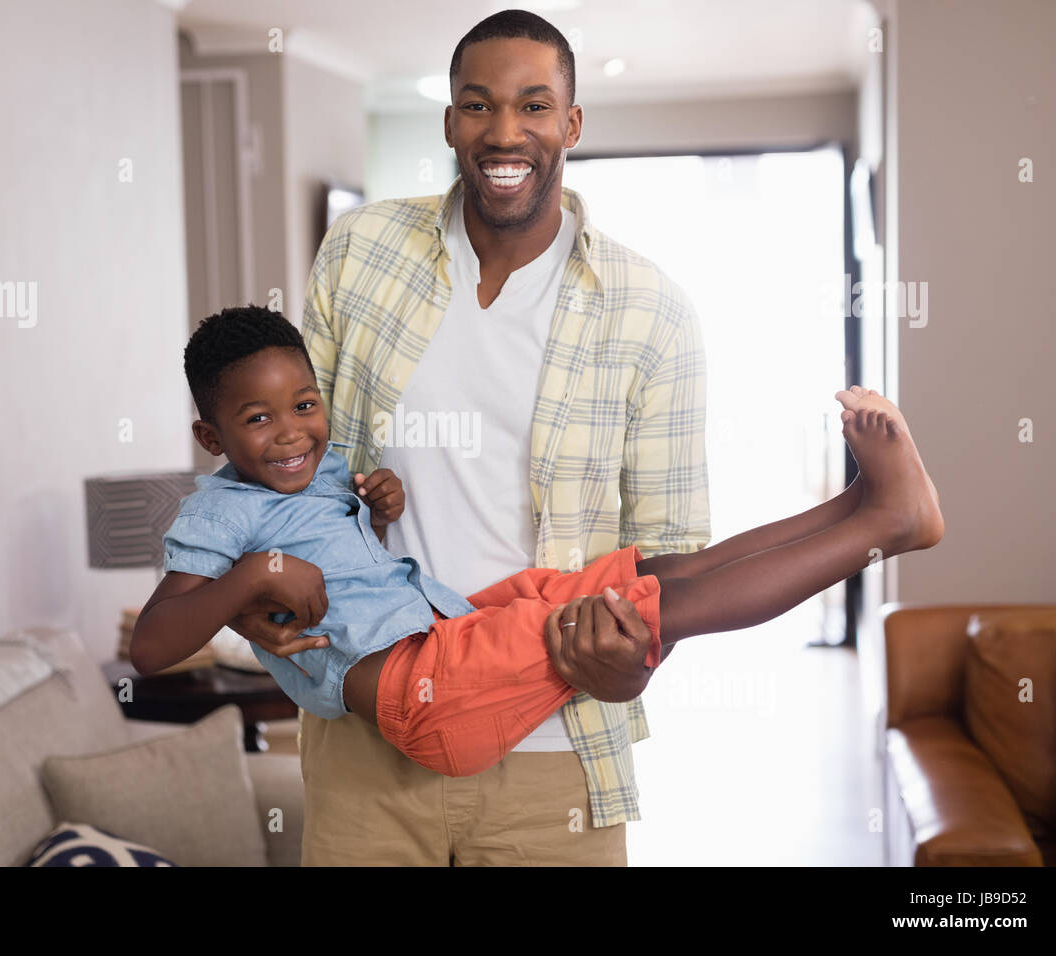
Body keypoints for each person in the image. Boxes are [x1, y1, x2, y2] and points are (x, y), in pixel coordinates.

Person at [239, 9, 708, 866]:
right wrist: (257, 595)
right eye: (478, 105)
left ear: (570, 123)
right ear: (450, 121)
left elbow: (671, 547)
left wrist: (635, 659)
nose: (505, 132)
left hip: (553, 751)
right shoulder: (360, 253)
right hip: (366, 732)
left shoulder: (651, 309)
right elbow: (292, 465)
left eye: (534, 107)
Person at [131, 306, 944, 786]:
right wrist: (256, 574)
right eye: (258, 420)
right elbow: (153, 645)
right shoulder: (217, 517)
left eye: (304, 405)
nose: (291, 435)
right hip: (426, 690)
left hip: (448, 634)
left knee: (645, 570)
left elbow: (343, 575)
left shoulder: (320, 470)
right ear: (211, 434)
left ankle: (856, 505)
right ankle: (885, 529)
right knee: (642, 611)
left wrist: (376, 504)